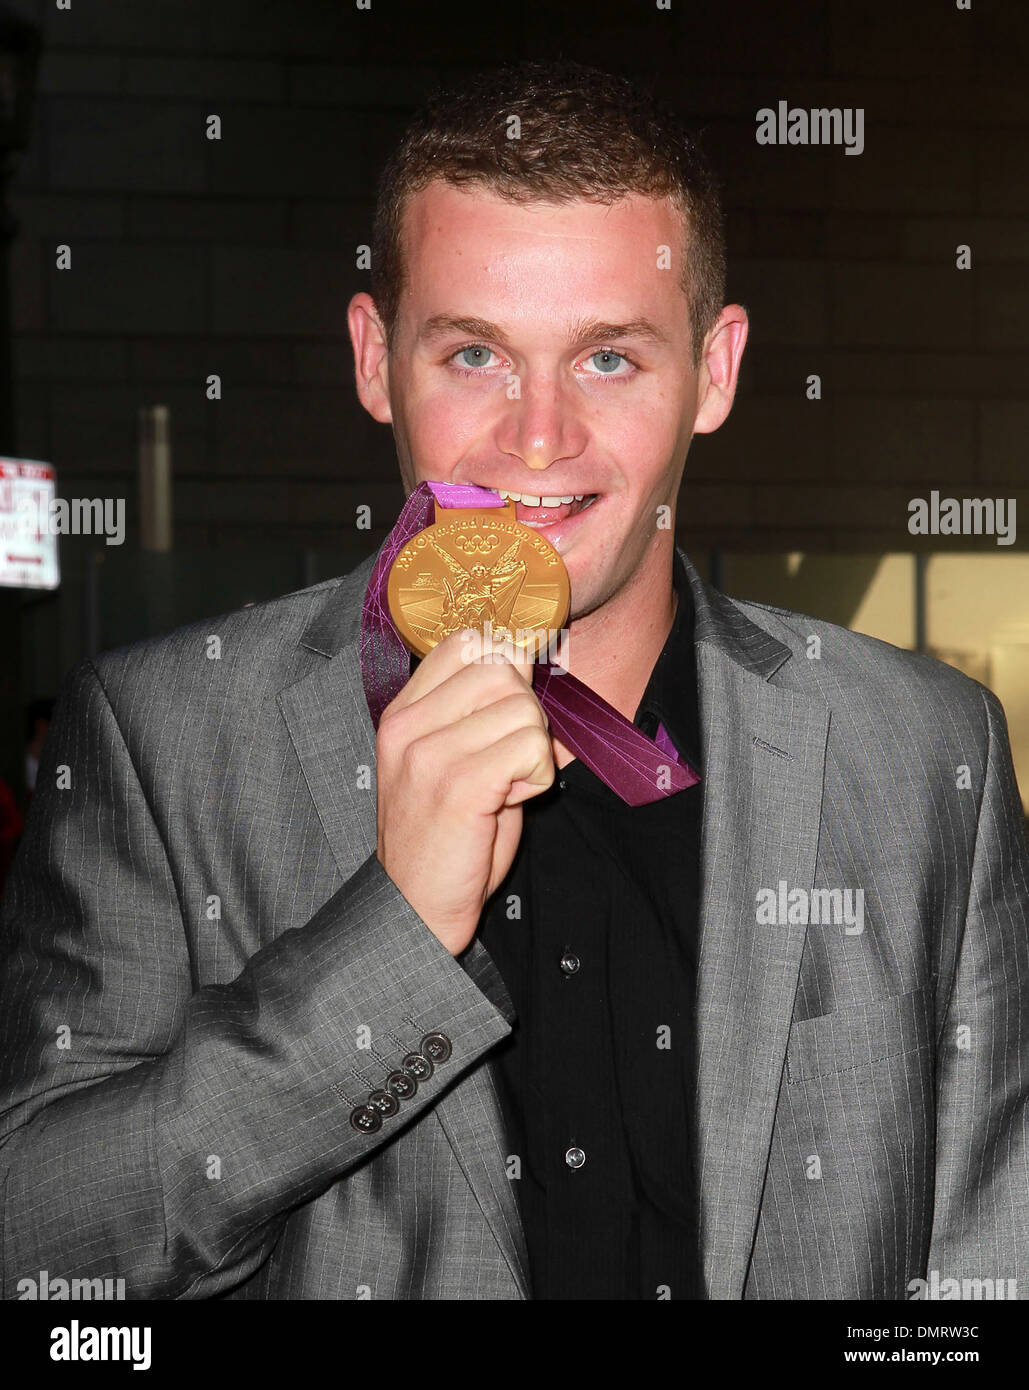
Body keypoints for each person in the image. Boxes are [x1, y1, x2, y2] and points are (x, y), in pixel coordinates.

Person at [1, 59, 1027, 1302]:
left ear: (715, 369)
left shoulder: (923, 751)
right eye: (476, 354)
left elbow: (989, 1273)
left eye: (608, 360)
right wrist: (387, 942)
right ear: (376, 358)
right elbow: (40, 1254)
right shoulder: (163, 737)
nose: (538, 439)